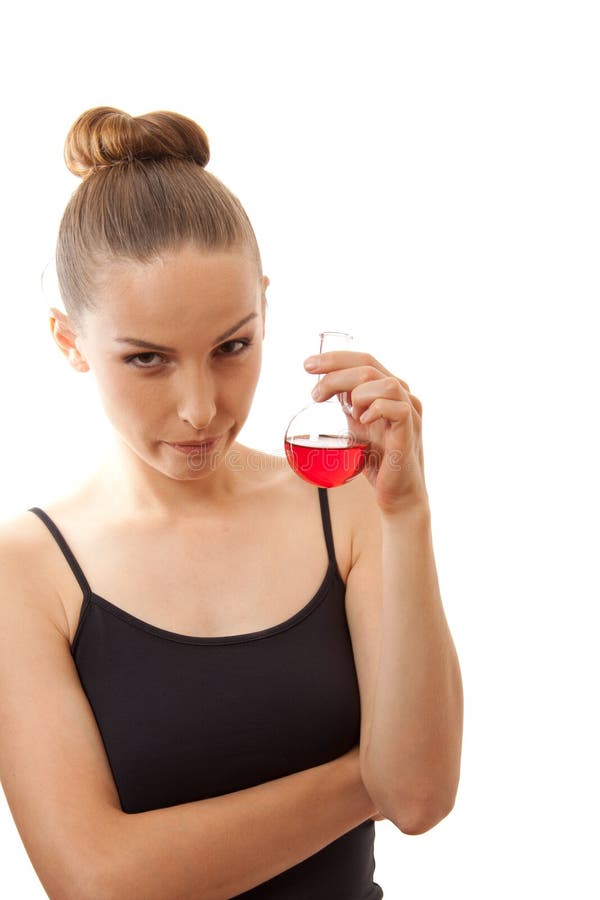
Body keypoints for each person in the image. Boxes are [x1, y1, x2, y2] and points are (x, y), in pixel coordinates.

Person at [0, 106, 463, 899]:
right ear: (69, 340)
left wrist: (407, 514)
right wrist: (370, 777)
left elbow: (420, 800)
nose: (200, 408)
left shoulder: (347, 506)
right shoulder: (24, 572)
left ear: (265, 307)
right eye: (147, 359)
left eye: (232, 347)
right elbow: (97, 883)